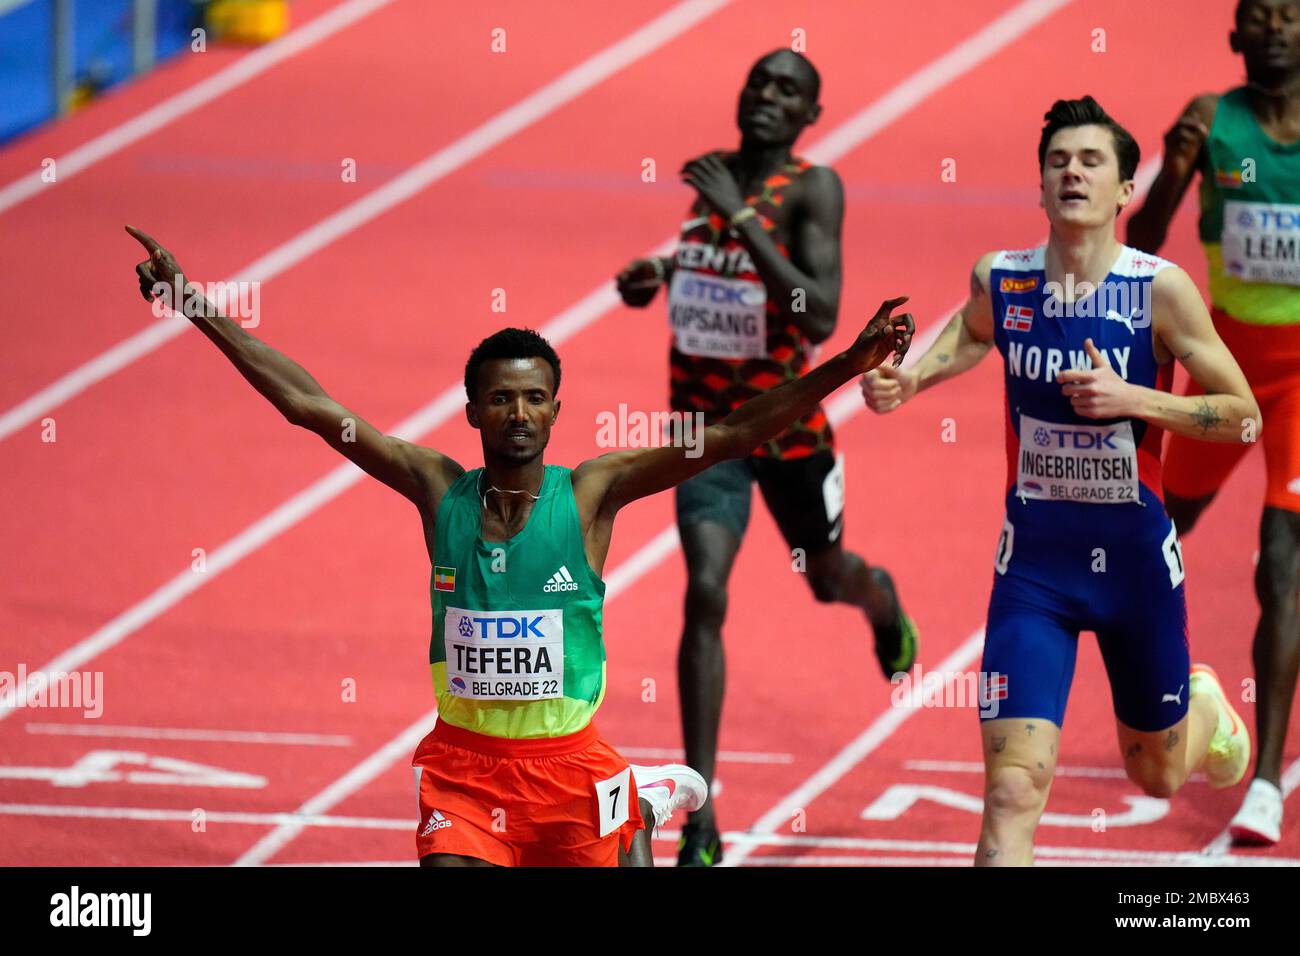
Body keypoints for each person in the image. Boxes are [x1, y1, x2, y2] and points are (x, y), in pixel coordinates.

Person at [128, 224, 914, 867]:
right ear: (472, 412)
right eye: (500, 398)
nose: (518, 413)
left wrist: (847, 364)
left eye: (534, 398)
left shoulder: (595, 491)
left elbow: (735, 432)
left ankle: (632, 796)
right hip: (463, 770)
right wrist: (193, 303)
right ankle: (627, 800)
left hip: (570, 767)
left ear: (555, 410)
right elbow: (308, 404)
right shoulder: (436, 487)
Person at [861, 97, 1261, 865]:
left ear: (1123, 192)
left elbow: (1243, 415)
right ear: (1039, 188)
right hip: (1034, 575)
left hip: (1137, 572)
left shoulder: (1159, 291)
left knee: (1158, 776)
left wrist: (1134, 399)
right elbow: (970, 335)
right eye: (1057, 162)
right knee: (1012, 793)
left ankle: (1206, 706)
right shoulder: (1002, 280)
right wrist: (913, 381)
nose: (1071, 172)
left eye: (1091, 161)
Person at [615, 48, 917, 866]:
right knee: (704, 593)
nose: (768, 97)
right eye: (759, 82)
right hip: (705, 435)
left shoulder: (812, 189)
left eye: (789, 91)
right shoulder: (714, 179)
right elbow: (711, 271)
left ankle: (879, 599)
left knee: (827, 580)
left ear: (809, 116)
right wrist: (659, 272)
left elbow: (816, 313)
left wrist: (739, 218)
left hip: (789, 433)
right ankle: (700, 815)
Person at [1126, 0, 1300, 846]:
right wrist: (1173, 170)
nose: (1273, 28)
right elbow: (1144, 242)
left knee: (1282, 564)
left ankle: (1264, 780)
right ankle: (1187, 703)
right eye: (1257, 16)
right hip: (1225, 368)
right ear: (1235, 36)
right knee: (1156, 530)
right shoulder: (1211, 119)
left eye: (1289, 15)